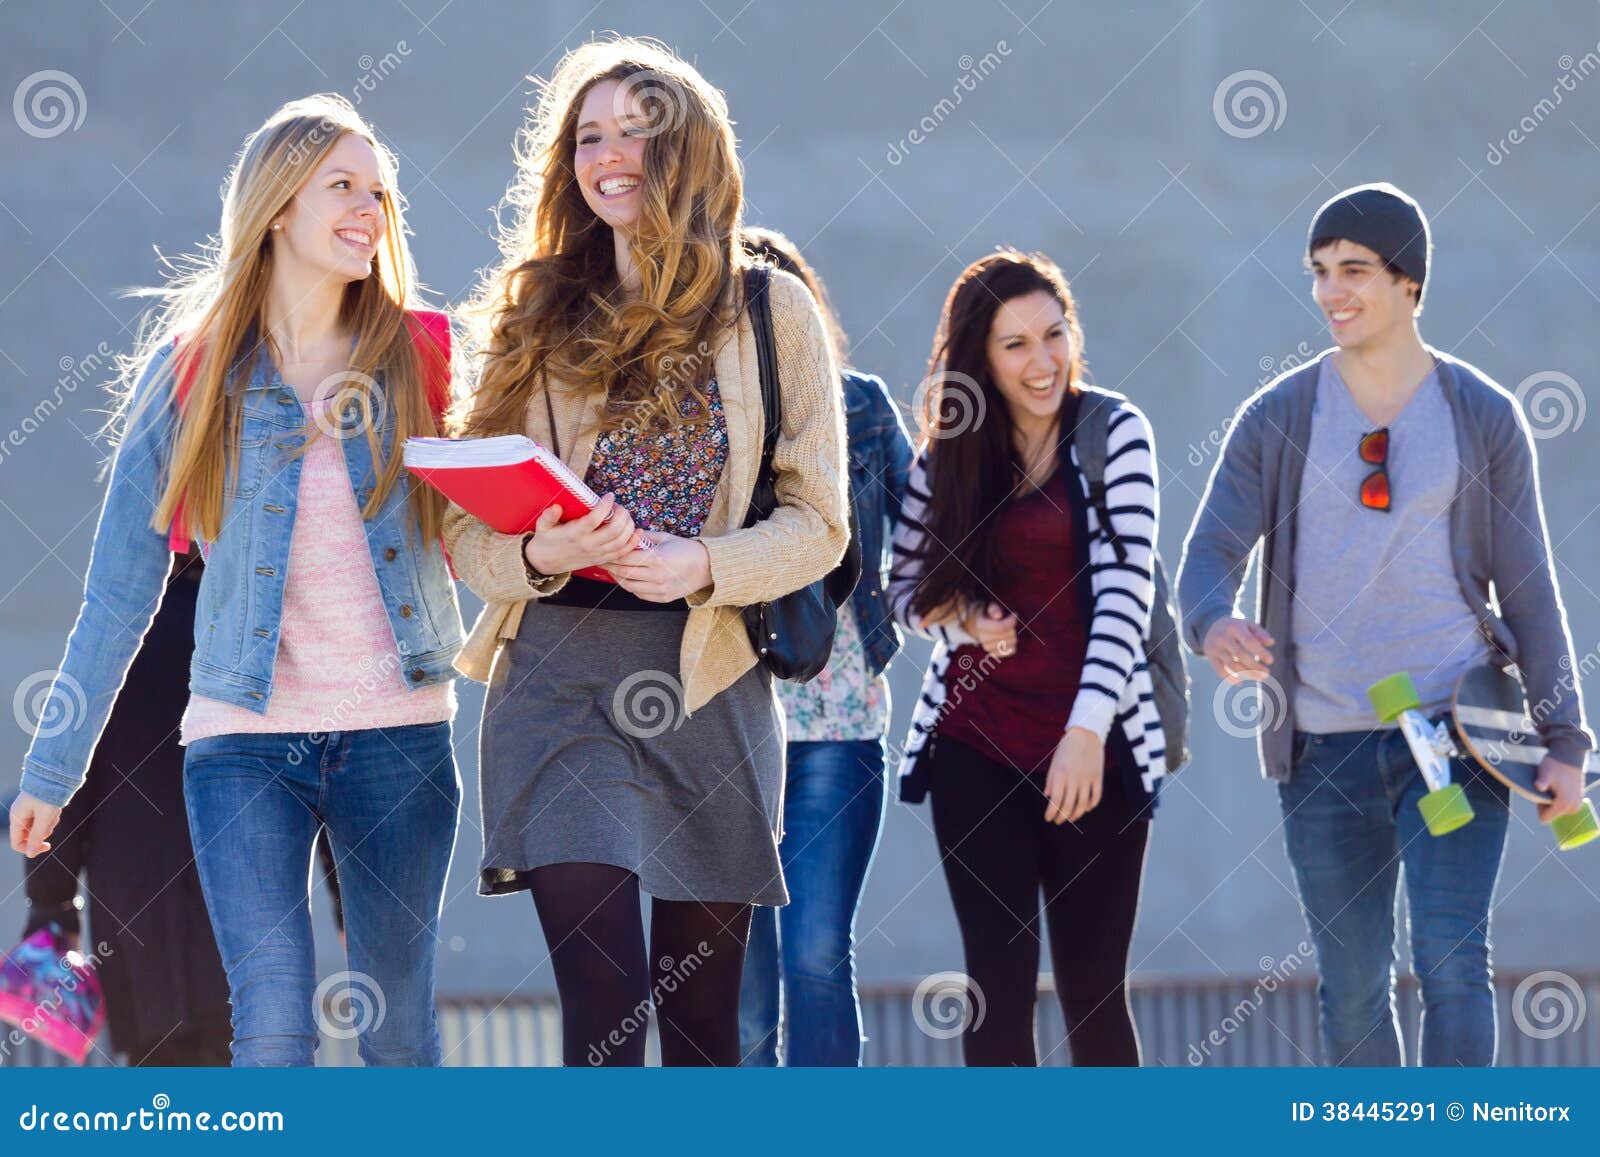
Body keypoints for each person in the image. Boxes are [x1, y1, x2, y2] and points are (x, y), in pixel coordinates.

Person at [11, 94, 466, 1067]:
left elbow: (470, 531)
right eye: (342, 186)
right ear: (277, 207)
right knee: (270, 1020)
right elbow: (118, 592)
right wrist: (54, 772)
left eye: (379, 192)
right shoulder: (191, 372)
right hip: (243, 742)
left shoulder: (419, 353)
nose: (369, 209)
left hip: (398, 733)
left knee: (398, 1025)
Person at [444, 38, 849, 1067]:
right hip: (557, 684)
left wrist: (705, 564)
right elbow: (463, 530)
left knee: (705, 1028)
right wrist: (538, 549)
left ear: (690, 150)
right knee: (604, 1003)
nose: (607, 155)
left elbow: (821, 522)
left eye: (635, 131)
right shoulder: (537, 312)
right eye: (588, 136)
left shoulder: (771, 309)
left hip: (705, 683)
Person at [1176, 182, 1593, 1066]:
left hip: (1457, 734)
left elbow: (1529, 588)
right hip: (1323, 747)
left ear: (1410, 282)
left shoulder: (1482, 416)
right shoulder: (1277, 417)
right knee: (1355, 986)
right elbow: (1209, 553)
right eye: (1320, 271)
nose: (1332, 291)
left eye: (1354, 270)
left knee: (1452, 961)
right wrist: (1213, 622)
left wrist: (1566, 739)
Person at [888, 249, 1165, 1066]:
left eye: (1054, 333)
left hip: (1094, 748)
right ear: (981, 356)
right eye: (1015, 345)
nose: (1042, 361)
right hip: (975, 748)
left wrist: (1086, 732)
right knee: (996, 992)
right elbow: (901, 590)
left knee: (1093, 994)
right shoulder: (948, 453)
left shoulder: (1115, 433)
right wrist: (965, 619)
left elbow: (1128, 593)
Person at [734, 226, 912, 1067]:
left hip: (837, 724)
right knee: (739, 993)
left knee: (813, 955)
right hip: (727, 728)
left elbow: (928, 534)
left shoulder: (859, 406)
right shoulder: (699, 418)